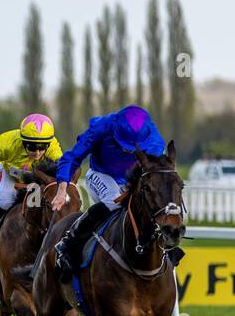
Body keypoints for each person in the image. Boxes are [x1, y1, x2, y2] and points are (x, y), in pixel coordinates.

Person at [51, 104, 172, 280]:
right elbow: (72, 157)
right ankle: (69, 242)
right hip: (100, 174)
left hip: (131, 180)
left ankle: (167, 250)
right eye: (124, 145)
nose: (128, 150)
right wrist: (62, 188)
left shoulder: (154, 142)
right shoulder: (102, 127)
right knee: (114, 200)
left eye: (132, 147)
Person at [0, 113, 63, 270]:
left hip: (34, 177)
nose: (37, 152)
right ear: (23, 141)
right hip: (10, 173)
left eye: (42, 147)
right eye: (31, 146)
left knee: (42, 204)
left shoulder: (53, 147)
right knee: (5, 199)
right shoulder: (8, 142)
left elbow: (62, 169)